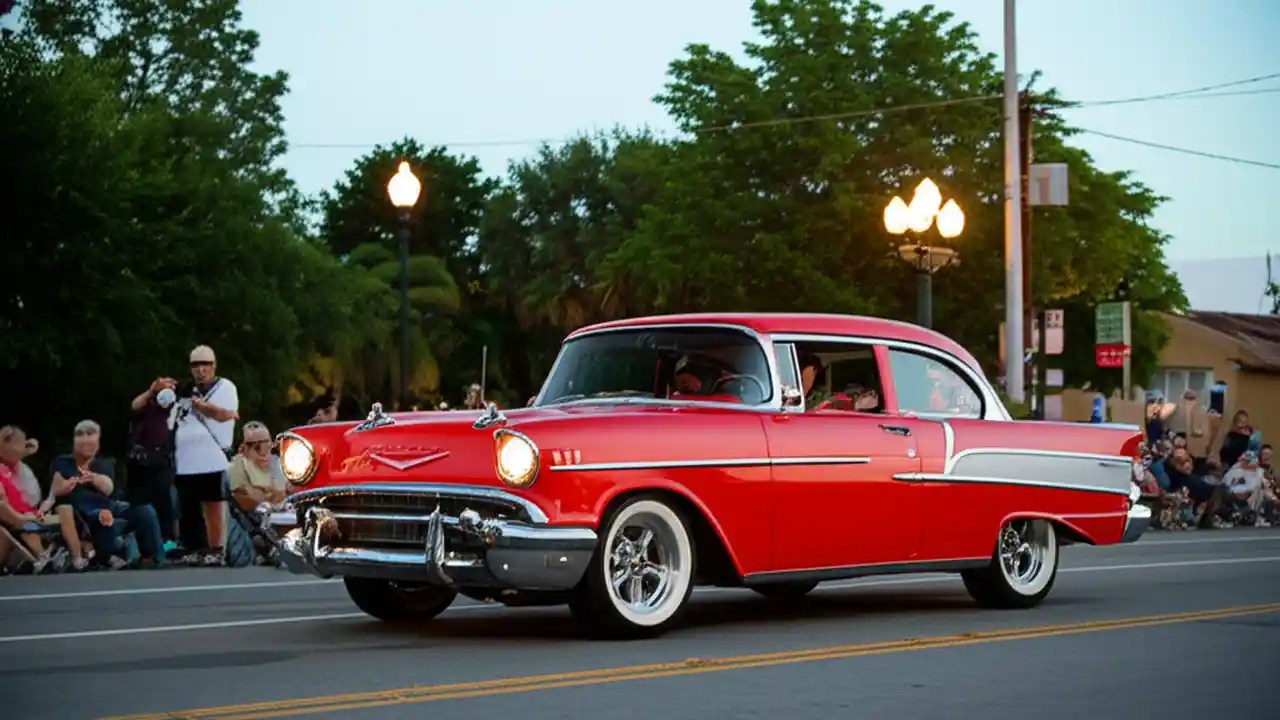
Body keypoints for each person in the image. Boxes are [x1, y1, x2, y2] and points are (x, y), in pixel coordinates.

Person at [171, 345, 239, 566]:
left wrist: (203, 407)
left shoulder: (225, 387)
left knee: (213, 502)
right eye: (196, 365)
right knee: (188, 504)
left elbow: (224, 415)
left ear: (214, 366)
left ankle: (216, 548)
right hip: (185, 457)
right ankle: (193, 547)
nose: (201, 370)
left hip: (212, 456)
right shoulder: (183, 389)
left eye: (206, 365)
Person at [128, 375, 179, 547]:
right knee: (141, 500)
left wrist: (171, 391)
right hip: (141, 459)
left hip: (163, 458)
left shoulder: (175, 406)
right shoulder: (147, 404)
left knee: (164, 500)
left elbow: (171, 403)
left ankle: (168, 540)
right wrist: (152, 390)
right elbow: (134, 406)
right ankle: (145, 543)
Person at [227, 422, 287, 513]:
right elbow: (245, 501)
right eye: (257, 447)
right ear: (243, 449)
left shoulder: (278, 463)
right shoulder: (235, 468)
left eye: (267, 446)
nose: (264, 453)